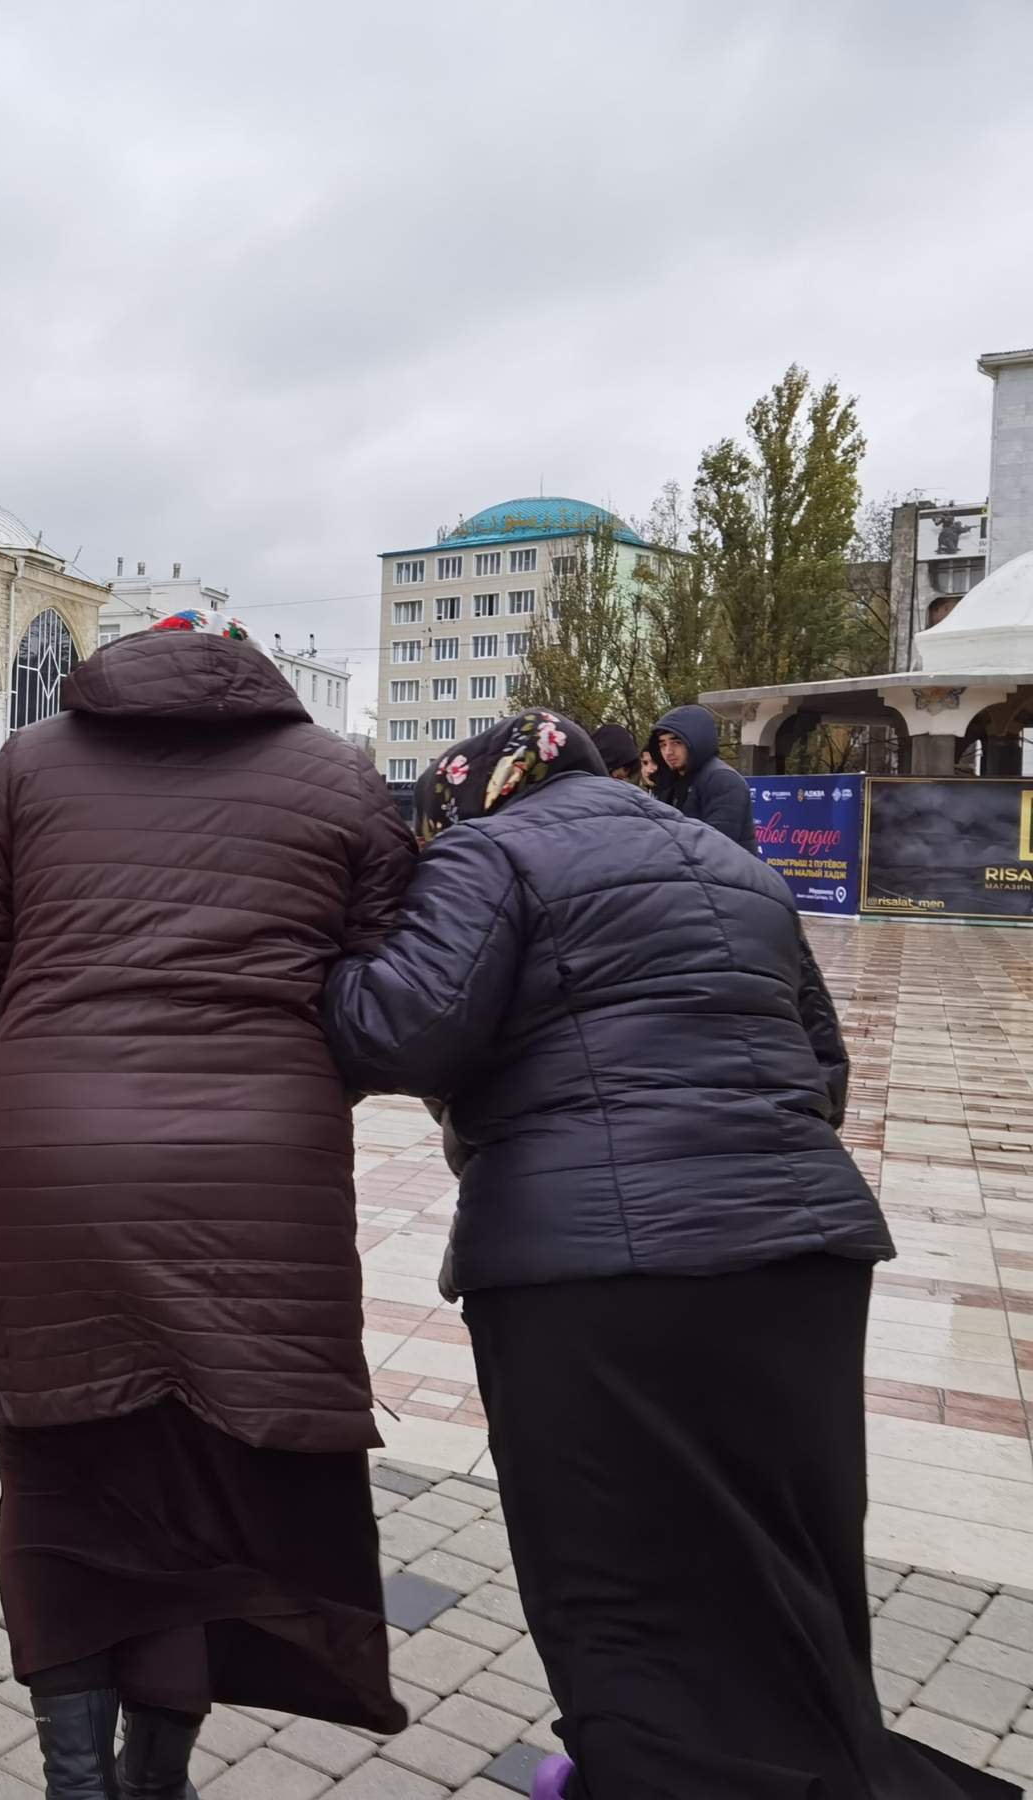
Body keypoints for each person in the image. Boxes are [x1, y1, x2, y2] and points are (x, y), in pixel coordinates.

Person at [322, 710, 1016, 1800]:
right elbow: (824, 1071)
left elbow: (399, 1031)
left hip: (593, 1279)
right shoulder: (728, 864)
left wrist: (330, 954)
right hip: (803, 1253)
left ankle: (645, 1773)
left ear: (476, 791)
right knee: (785, 1566)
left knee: (619, 1583)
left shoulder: (488, 849)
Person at [0, 608, 414, 1800]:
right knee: (207, 1503)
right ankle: (157, 1784)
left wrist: (34, 1090)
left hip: (58, 1176)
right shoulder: (338, 775)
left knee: (65, 1499)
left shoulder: (31, 760)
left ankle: (77, 1786)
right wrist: (287, 1087)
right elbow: (394, 990)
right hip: (261, 1190)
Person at [648, 702, 756, 848]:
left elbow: (717, 845)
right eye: (662, 744)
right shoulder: (671, 781)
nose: (668, 752)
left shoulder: (722, 780)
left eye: (677, 742)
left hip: (723, 869)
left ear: (696, 741)